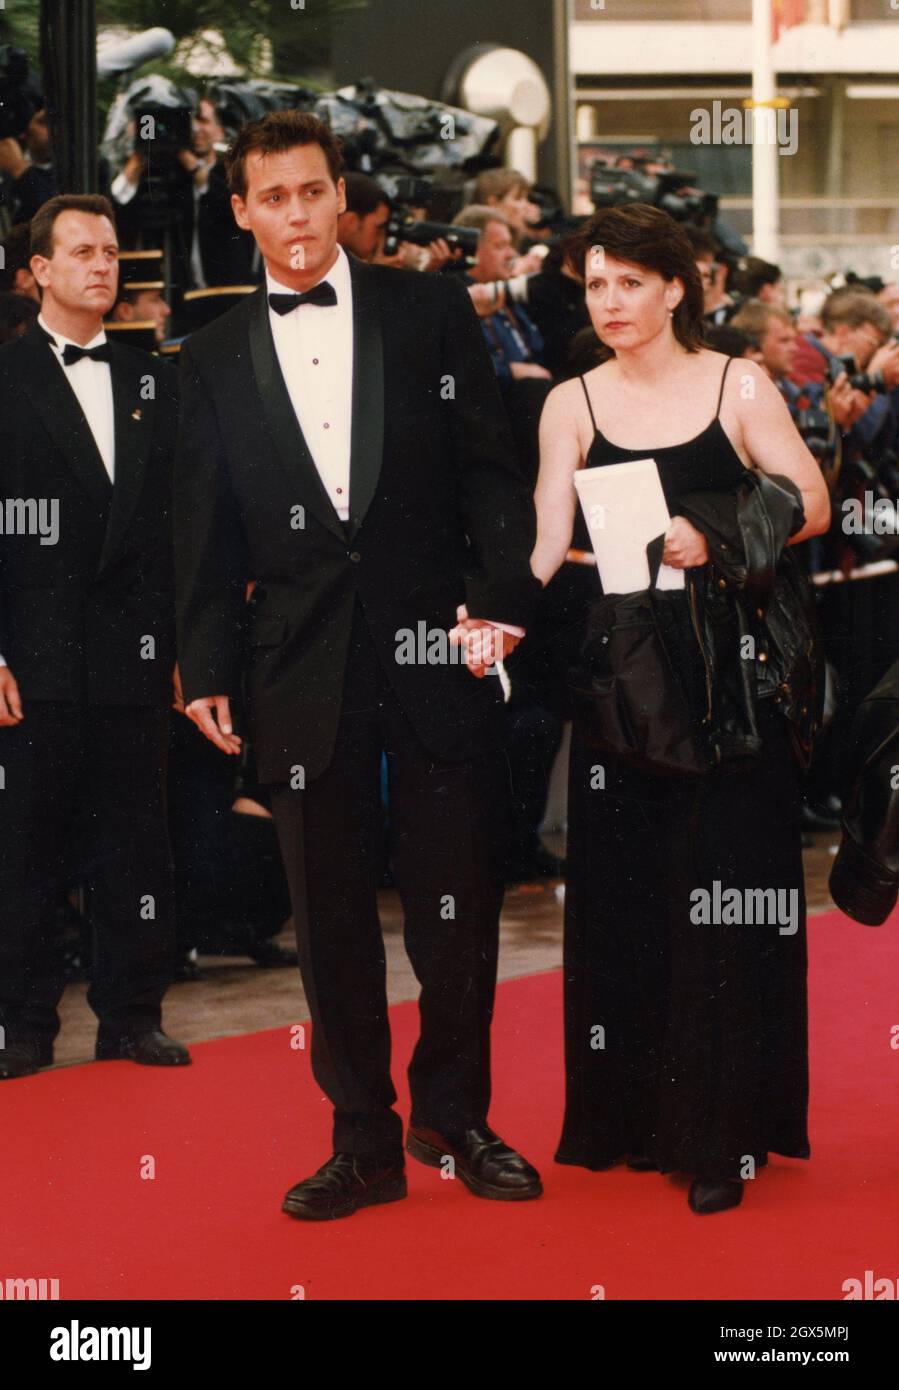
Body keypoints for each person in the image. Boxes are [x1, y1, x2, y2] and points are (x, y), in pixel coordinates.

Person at [173, 110, 544, 1221]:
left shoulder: (427, 311)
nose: (294, 215)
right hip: (298, 663)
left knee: (455, 906)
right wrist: (203, 664)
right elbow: (201, 531)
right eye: (271, 197)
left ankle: (455, 1117)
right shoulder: (208, 355)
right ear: (242, 212)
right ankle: (363, 1142)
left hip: (435, 648)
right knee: (328, 921)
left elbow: (490, 471)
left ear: (342, 196)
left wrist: (502, 598)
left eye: (310, 191)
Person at [531, 203, 830, 1214]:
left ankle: (720, 1135)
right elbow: (546, 539)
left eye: (628, 283)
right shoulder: (569, 400)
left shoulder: (735, 382)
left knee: (722, 897)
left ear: (673, 288)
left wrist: (711, 531)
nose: (609, 302)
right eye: (594, 285)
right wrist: (491, 612)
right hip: (622, 683)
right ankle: (629, 1118)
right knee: (625, 895)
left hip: (729, 686)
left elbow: (809, 499)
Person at [0, 194, 189, 1079]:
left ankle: (133, 1017)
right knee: (26, 846)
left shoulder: (155, 378)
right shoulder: (5, 378)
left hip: (134, 654)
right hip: (31, 654)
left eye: (111, 252)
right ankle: (21, 1024)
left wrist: (183, 645)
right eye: (81, 251)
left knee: (136, 844)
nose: (102, 265)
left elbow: (179, 525)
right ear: (39, 270)